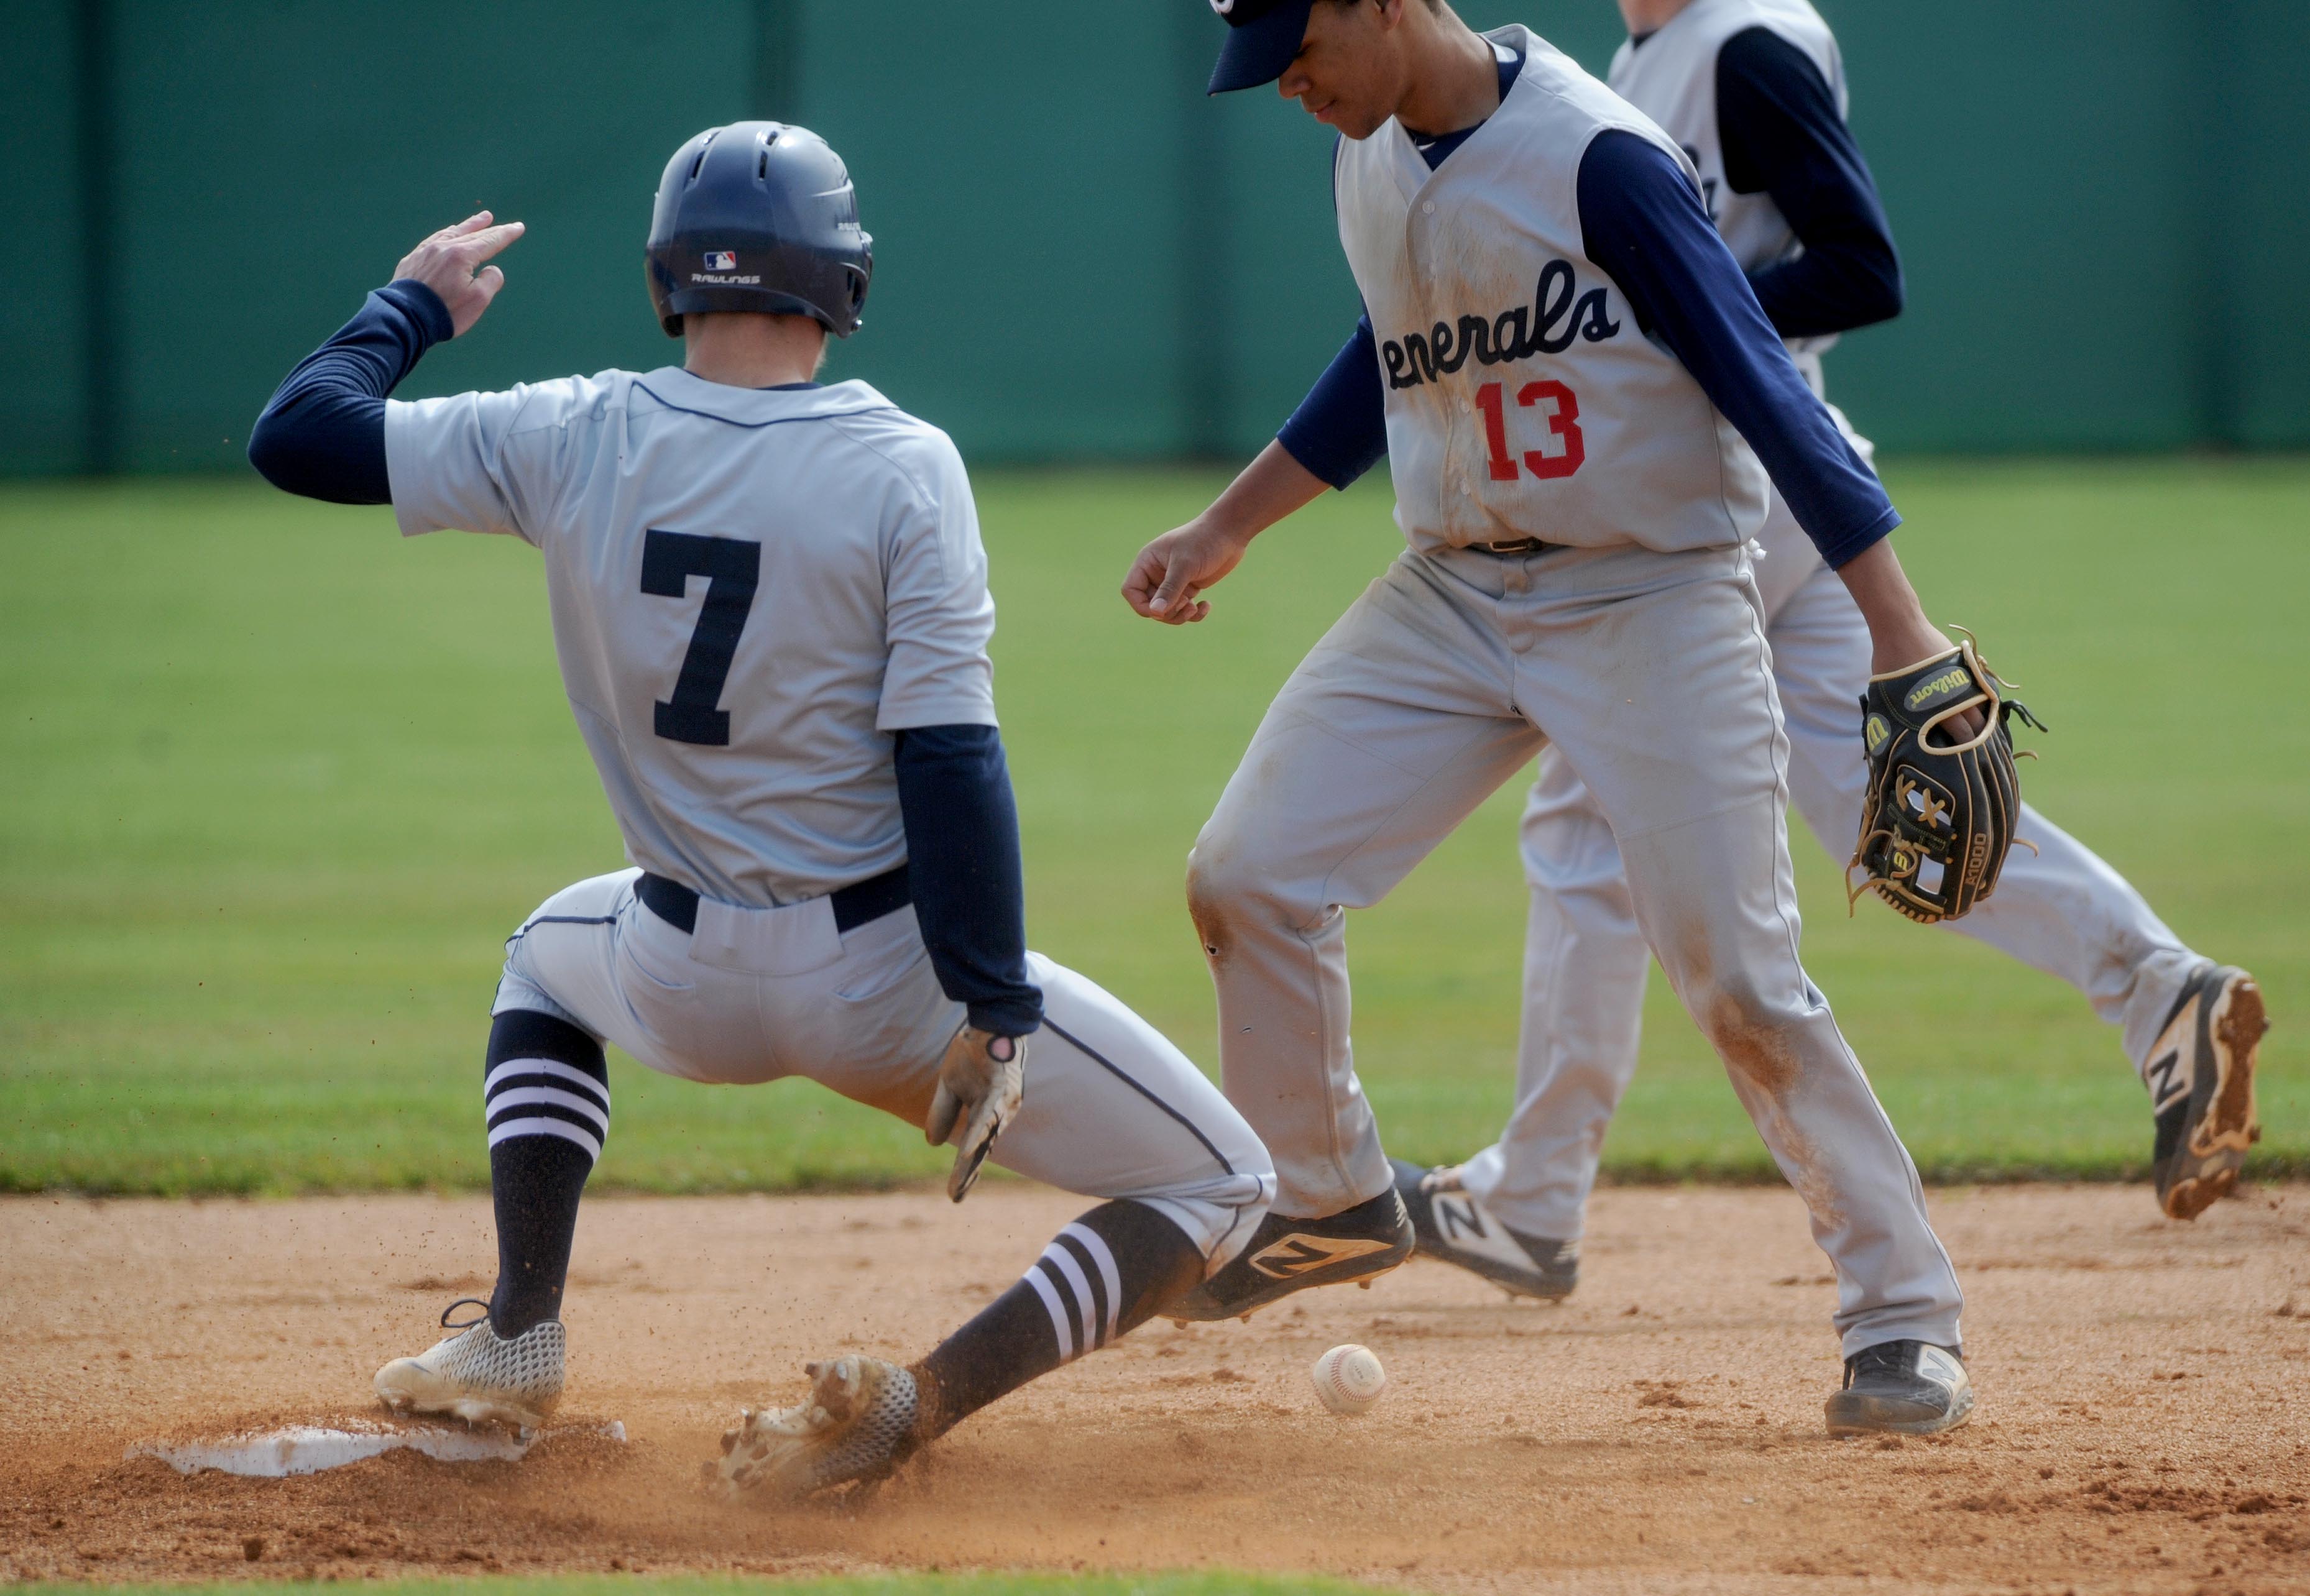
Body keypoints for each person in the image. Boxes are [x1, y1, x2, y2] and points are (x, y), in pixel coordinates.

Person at [246, 122, 1274, 1497]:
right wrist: (995, 1004)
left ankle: (516, 1334)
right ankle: (921, 1398)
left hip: (676, 973)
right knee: (1223, 1183)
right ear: (843, 281)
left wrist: (412, 306)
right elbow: (950, 756)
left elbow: (299, 436)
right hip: (886, 980)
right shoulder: (902, 465)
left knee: (543, 959)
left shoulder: (573, 429)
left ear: (672, 282)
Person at [1123, 0, 1987, 1435]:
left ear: (1379, 2)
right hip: (1453, 594)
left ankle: (1905, 1320)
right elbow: (1388, 352)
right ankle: (1331, 1198)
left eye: (1299, 49)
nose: (1288, 86)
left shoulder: (1598, 157)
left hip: (1648, 595)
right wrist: (1231, 525)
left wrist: (1895, 624)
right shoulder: (1371, 150)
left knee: (1739, 981)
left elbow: (1760, 383)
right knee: (1248, 874)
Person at [1389, 0, 2266, 1309]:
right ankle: (2161, 996)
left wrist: (1655, 311)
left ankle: (1530, 1200)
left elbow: (1861, 265)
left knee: (1585, 828)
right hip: (1744, 494)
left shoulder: (1745, 44)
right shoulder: (1647, 56)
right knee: (1873, 806)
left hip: (1729, 489)